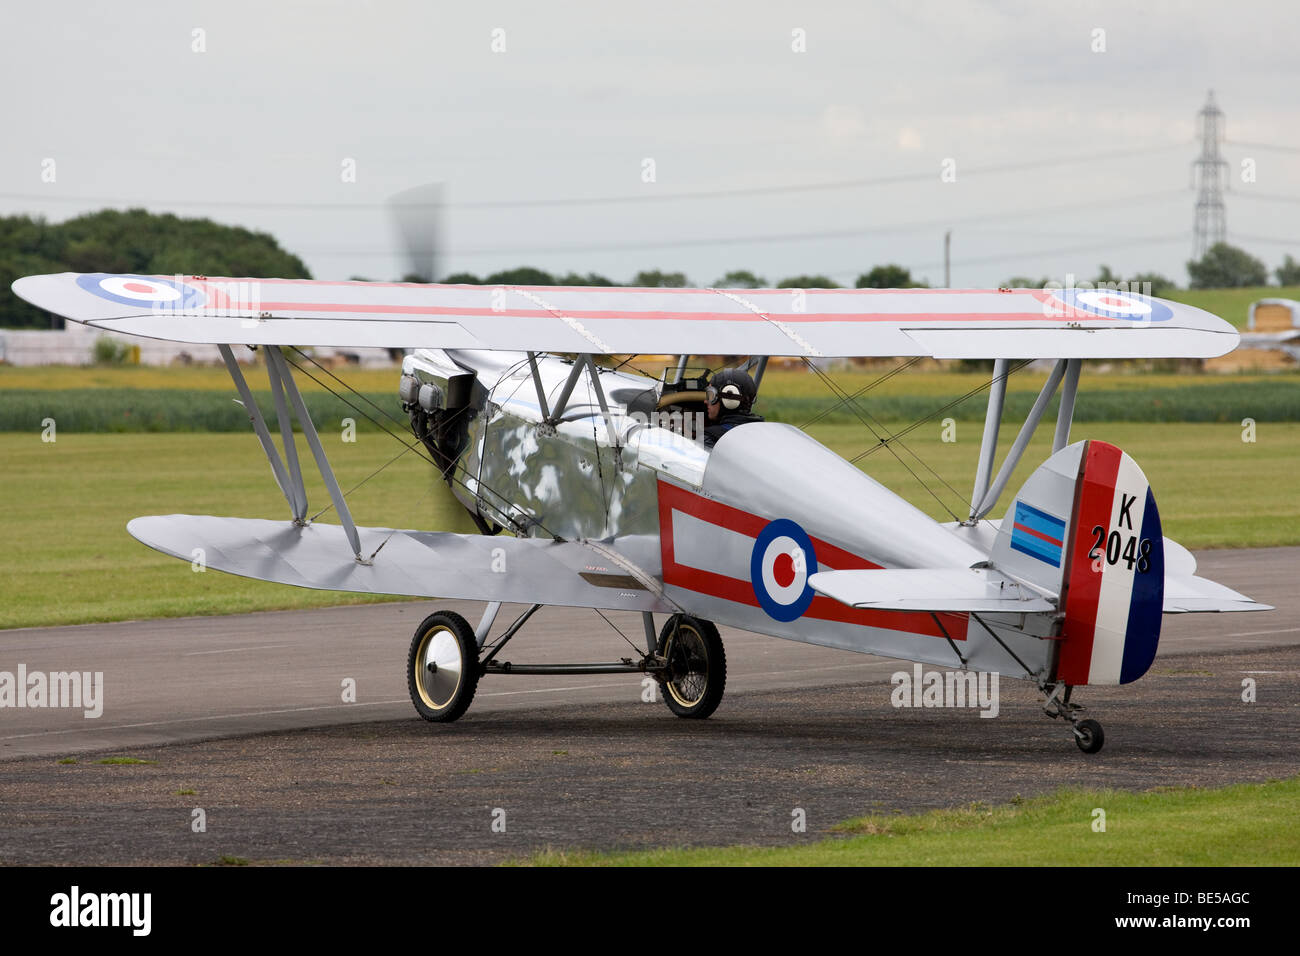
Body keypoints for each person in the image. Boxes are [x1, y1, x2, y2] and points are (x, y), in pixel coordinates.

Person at [702, 367, 764, 449]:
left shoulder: (710, 438)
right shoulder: (763, 433)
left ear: (729, 398)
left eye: (711, 395)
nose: (705, 401)